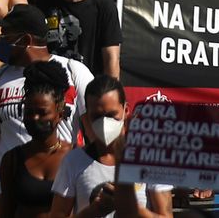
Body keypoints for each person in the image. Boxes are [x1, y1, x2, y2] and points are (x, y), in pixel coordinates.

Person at [0, 4, 95, 218]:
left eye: (5, 37)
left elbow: (93, 133)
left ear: (26, 40)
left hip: (60, 186)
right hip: (6, 187)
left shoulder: (73, 72)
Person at [49, 77, 172, 218]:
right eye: (97, 116)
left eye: (111, 115)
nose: (104, 123)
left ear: (126, 110)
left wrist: (130, 204)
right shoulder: (73, 161)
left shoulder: (150, 161)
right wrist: (95, 210)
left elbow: (166, 216)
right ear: (87, 116)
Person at [0, 60, 73, 218]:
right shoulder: (12, 160)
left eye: (42, 113)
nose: (35, 118)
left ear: (60, 113)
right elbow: (6, 211)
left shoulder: (75, 156)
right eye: (29, 112)